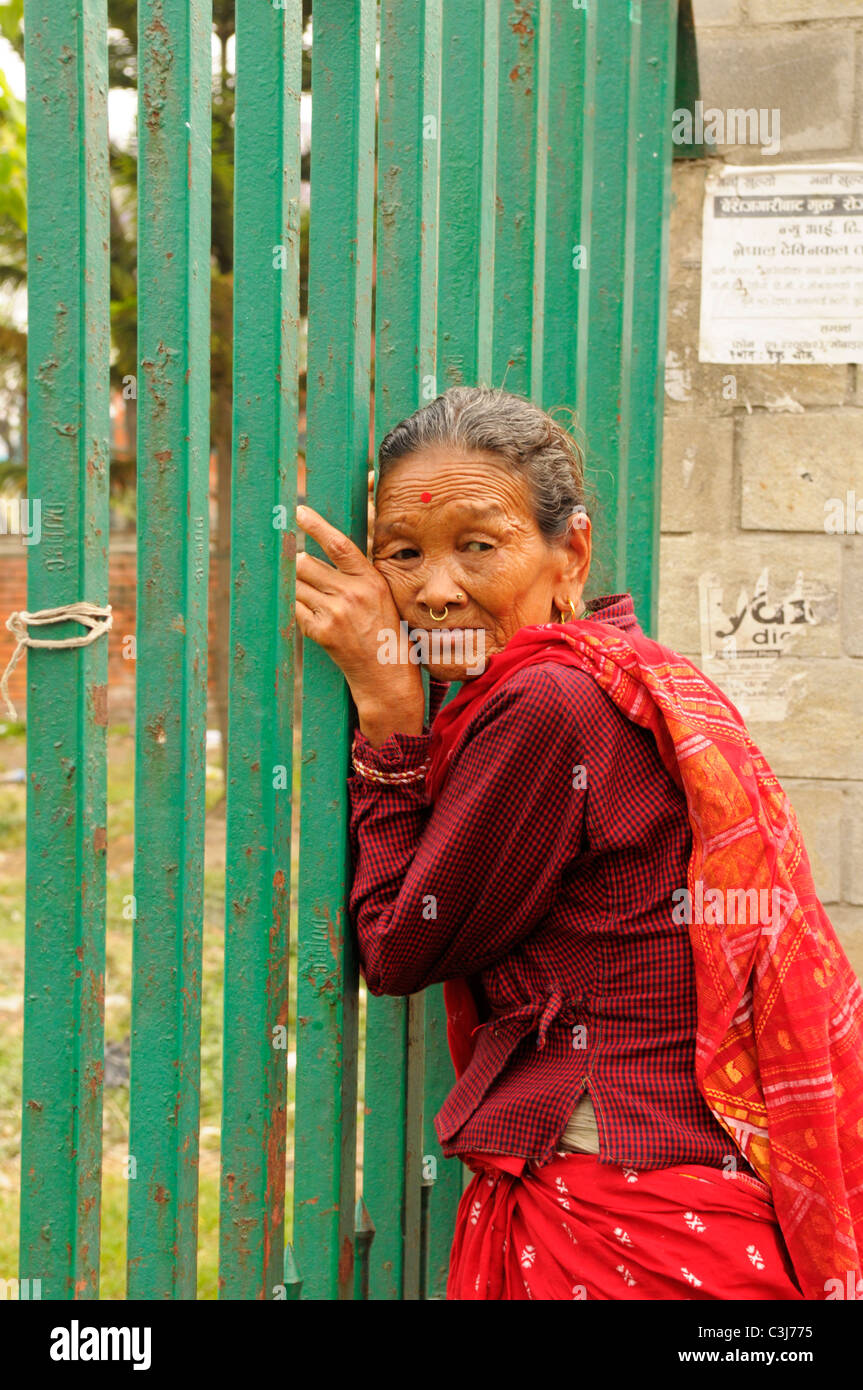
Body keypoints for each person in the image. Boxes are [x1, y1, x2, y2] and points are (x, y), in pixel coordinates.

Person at [294, 384, 863, 1301]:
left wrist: (392, 719)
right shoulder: (628, 673)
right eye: (404, 554)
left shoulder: (546, 704)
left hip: (621, 1213)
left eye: (477, 546)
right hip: (689, 1198)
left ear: (572, 553)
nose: (435, 591)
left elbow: (400, 948)